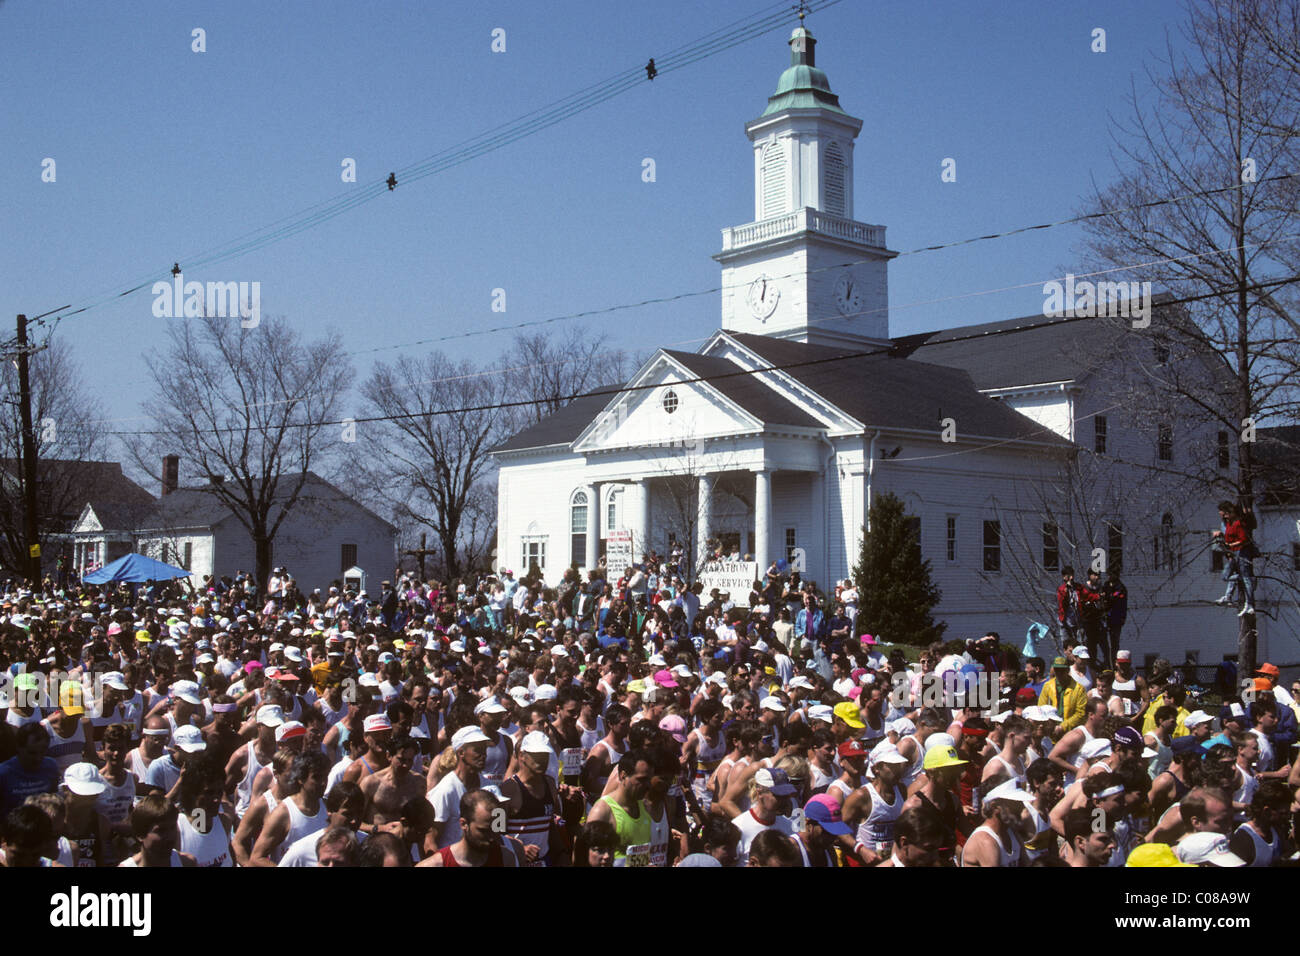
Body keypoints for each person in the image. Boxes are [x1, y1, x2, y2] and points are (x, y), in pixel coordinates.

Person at [249, 750, 330, 866]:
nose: (323, 783)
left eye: (325, 777)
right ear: (301, 779)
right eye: (316, 778)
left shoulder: (328, 808)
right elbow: (257, 857)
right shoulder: (283, 813)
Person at [425, 725, 491, 853]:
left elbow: (501, 827)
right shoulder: (445, 790)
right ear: (461, 753)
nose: (483, 755)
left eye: (485, 749)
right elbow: (429, 840)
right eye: (477, 750)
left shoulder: (491, 787)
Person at [585, 747, 653, 866]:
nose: (648, 786)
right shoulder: (602, 811)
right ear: (623, 776)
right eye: (641, 780)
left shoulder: (645, 808)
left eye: (649, 780)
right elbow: (586, 857)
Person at [419, 790, 522, 867]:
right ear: (463, 824)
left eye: (495, 829)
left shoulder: (505, 858)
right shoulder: (435, 864)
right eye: (484, 831)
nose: (491, 838)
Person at [730, 766, 796, 866]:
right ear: (760, 792)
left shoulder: (789, 826)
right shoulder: (738, 827)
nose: (784, 801)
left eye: (786, 796)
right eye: (778, 795)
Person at [960, 779, 1029, 867]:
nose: (1022, 807)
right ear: (995, 807)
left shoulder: (1012, 833)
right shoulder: (985, 841)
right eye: (1015, 803)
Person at [119, 794, 197, 867]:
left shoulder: (187, 863)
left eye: (172, 828)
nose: (170, 837)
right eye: (161, 831)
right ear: (140, 834)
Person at [0, 723, 59, 816]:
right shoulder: (4, 773)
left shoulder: (51, 766)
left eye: (42, 752)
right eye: (32, 753)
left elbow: (54, 801)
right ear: (19, 747)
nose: (38, 758)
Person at [1213, 500, 1257, 615]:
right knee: (1226, 576)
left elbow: (1243, 540)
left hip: (1241, 553)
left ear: (1228, 512)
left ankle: (1249, 603)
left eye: (1223, 513)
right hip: (1233, 554)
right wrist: (1221, 536)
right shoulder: (1228, 523)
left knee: (1245, 577)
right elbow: (1228, 537)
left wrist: (1230, 545)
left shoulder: (1238, 523)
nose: (1221, 515)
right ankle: (1239, 584)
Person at [1038, 657, 1086, 731]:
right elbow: (1041, 708)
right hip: (1049, 730)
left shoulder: (1079, 689)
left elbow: (1081, 713)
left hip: (1070, 733)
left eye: (1062, 670)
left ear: (1068, 670)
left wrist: (1063, 727)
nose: (1059, 673)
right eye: (1057, 670)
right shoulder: (1047, 686)